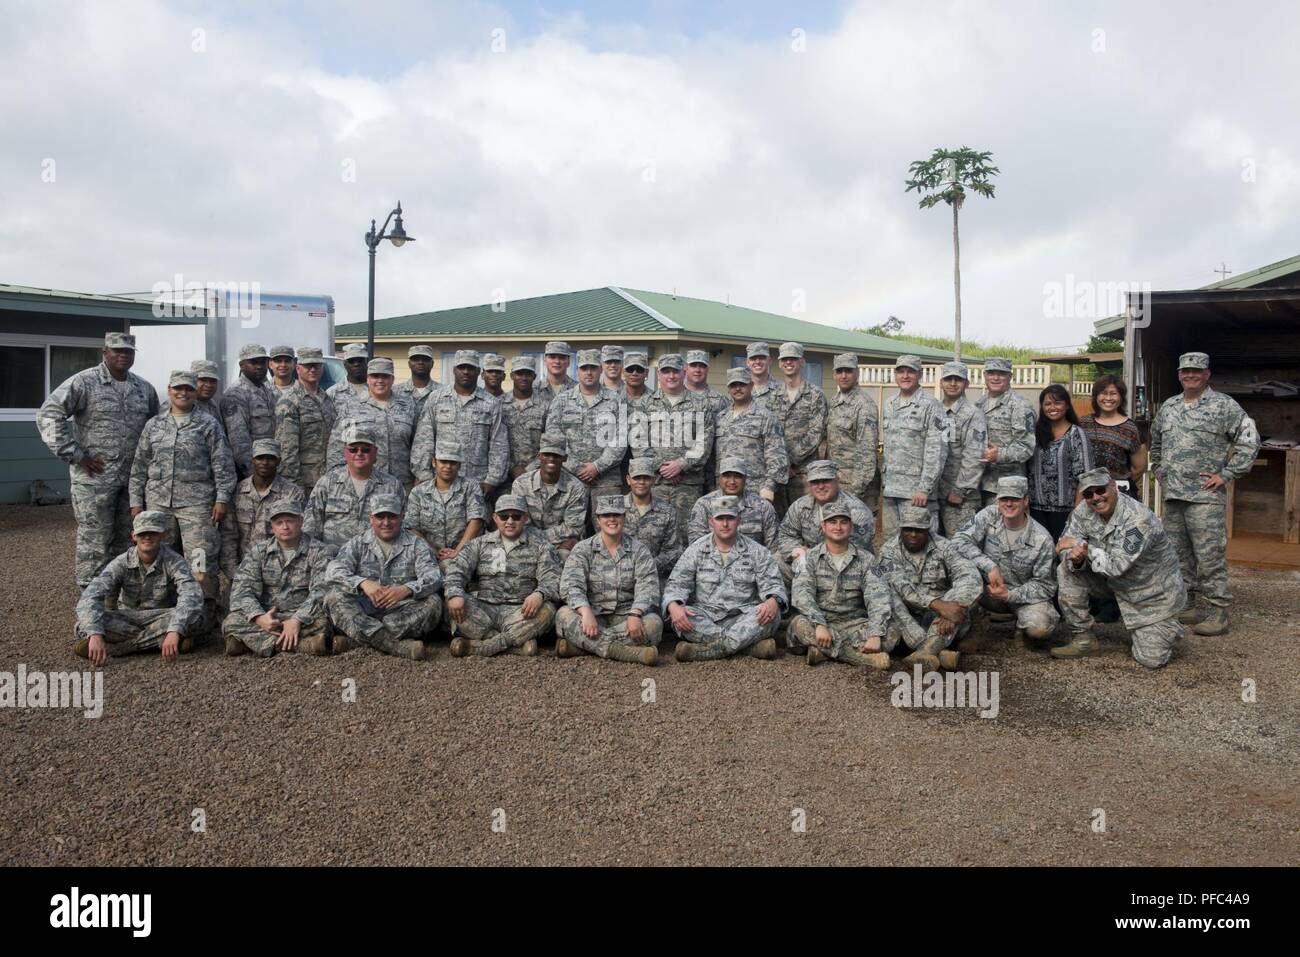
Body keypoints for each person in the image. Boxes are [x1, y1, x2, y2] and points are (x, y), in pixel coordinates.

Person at [1150, 353, 1260, 636]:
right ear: (1178, 374)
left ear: (1207, 374)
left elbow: (1249, 440)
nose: (1190, 375)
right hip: (1174, 496)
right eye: (1185, 371)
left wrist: (1226, 474)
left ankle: (1217, 613)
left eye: (1196, 371)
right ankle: (1187, 605)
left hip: (1205, 497)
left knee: (1209, 556)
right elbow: (1156, 441)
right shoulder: (1169, 406)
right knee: (1177, 556)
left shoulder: (1223, 406)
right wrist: (1160, 470)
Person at [38, 331, 160, 588]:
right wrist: (76, 455)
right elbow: (48, 415)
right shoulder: (84, 382)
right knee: (94, 543)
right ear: (104, 353)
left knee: (127, 540)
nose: (123, 356)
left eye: (128, 352)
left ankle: (118, 596)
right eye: (117, 351)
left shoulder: (144, 389)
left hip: (132, 483)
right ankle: (91, 603)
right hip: (94, 482)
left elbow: (154, 430)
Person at [1053, 468, 1186, 666]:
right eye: (1089, 494)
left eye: (1101, 490)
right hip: (1114, 584)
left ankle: (1164, 624)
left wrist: (1082, 548)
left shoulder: (1138, 518)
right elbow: (1064, 545)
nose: (1096, 498)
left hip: (1151, 593)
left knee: (1151, 659)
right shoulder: (1083, 510)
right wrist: (1076, 558)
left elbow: (1117, 565)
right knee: (1066, 568)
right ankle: (1083, 639)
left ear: (1113, 486)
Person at [129, 370, 236, 605]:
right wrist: (136, 503)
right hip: (158, 505)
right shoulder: (154, 425)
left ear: (195, 393)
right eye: (178, 388)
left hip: (197, 506)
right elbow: (139, 467)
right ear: (169, 391)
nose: (183, 393)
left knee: (200, 560)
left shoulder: (209, 425)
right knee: (159, 559)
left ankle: (202, 613)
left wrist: (222, 499)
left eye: (188, 389)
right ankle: (162, 611)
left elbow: (223, 465)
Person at [663, 496, 788, 662]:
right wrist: (673, 605)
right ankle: (749, 647)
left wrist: (773, 600)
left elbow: (774, 586)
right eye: (720, 518)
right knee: (679, 617)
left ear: (739, 521)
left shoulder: (757, 551)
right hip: (707, 615)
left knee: (772, 614)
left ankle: (709, 650)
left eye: (730, 518)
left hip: (744, 616)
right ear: (711, 521)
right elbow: (676, 585)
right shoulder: (696, 550)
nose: (725, 524)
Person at [74, 510, 204, 663]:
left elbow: (191, 595)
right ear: (134, 536)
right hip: (128, 617)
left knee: (197, 620)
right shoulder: (122, 562)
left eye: (153, 533)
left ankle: (124, 647)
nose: (147, 537)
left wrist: (175, 629)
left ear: (163, 535)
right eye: (142, 533)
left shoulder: (175, 561)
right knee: (81, 627)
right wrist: (95, 633)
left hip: (161, 616)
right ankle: (159, 642)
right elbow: (91, 595)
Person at [325, 495, 442, 660]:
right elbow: (333, 570)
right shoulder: (358, 543)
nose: (386, 522)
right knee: (333, 598)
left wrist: (406, 589)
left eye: (392, 516)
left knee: (434, 602)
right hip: (365, 609)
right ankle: (398, 647)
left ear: (401, 516)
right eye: (380, 517)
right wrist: (363, 583)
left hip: (400, 612)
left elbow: (434, 576)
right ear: (371, 519)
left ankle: (357, 642)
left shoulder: (417, 544)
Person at [444, 495, 562, 658]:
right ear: (495, 518)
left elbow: (552, 578)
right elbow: (456, 570)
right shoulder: (479, 544)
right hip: (483, 609)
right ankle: (514, 646)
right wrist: (455, 594)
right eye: (504, 516)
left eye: (516, 516)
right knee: (453, 604)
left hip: (520, 611)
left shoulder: (541, 546)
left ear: (525, 518)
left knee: (547, 610)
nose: (510, 521)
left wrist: (539, 594)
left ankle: (481, 647)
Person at [949, 476, 1059, 650]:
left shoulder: (1042, 539)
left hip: (1022, 597)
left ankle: (1022, 629)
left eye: (1014, 499)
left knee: (1040, 629)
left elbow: (1045, 585)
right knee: (961, 575)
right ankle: (975, 625)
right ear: (997, 500)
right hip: (986, 590)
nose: (1008, 504)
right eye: (1004, 499)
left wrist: (1010, 595)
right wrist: (989, 565)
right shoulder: (989, 515)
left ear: (1025, 501)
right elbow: (958, 541)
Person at [555, 496, 663, 666]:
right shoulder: (584, 549)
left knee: (653, 624)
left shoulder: (639, 550)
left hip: (626, 617)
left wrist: (635, 613)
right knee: (563, 616)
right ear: (598, 520)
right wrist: (585, 612)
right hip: (593, 616)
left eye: (616, 514)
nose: (611, 519)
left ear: (624, 517)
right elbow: (570, 585)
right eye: (606, 515)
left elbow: (648, 585)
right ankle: (624, 652)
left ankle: (582, 647)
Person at [787, 500, 893, 669]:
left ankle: (823, 652)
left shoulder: (867, 559)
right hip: (822, 622)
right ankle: (860, 657)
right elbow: (801, 595)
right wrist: (820, 624)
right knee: (799, 624)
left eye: (843, 522)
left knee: (892, 630)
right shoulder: (808, 558)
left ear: (851, 526)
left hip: (855, 624)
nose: (838, 527)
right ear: (823, 526)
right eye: (832, 522)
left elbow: (878, 596)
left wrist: (874, 633)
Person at [875, 505, 982, 672]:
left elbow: (969, 576)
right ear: (900, 528)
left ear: (928, 529)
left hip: (939, 620)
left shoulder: (945, 546)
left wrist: (952, 607)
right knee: (886, 592)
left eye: (919, 530)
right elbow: (902, 588)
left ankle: (924, 653)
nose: (913, 534)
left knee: (960, 594)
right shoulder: (888, 551)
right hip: (907, 620)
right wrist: (939, 605)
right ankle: (936, 651)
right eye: (908, 529)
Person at [222, 500, 332, 657]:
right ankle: (300, 645)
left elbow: (320, 591)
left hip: (303, 617)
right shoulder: (259, 552)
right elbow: (241, 591)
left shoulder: (319, 551)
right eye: (279, 522)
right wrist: (260, 618)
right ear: (272, 526)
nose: (285, 527)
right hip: (269, 617)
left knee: (325, 621)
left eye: (290, 521)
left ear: (301, 522)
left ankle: (251, 643)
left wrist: (296, 620)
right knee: (232, 621)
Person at [631, 352, 713, 538]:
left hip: (688, 485)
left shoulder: (701, 404)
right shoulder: (644, 404)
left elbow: (704, 442)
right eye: (666, 371)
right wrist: (662, 467)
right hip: (655, 484)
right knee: (652, 534)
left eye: (675, 371)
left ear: (684, 373)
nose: (671, 376)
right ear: (658, 375)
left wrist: (681, 465)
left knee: (689, 535)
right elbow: (638, 443)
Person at [410, 350, 509, 497]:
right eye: (461, 368)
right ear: (454, 370)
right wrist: (425, 476)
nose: (466, 372)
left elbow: (499, 444)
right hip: (440, 482)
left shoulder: (491, 404)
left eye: (471, 368)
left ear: (478, 372)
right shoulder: (436, 399)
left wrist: (492, 480)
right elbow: (424, 440)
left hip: (477, 483)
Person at [543, 349, 627, 516]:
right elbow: (553, 440)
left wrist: (597, 467)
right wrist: (576, 467)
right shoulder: (561, 401)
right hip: (569, 479)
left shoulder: (617, 400)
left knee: (608, 530)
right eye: (584, 368)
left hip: (606, 481)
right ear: (577, 370)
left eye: (593, 368)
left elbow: (621, 439)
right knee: (570, 531)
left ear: (600, 369)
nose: (588, 372)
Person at [303, 424, 405, 556]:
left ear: (375, 452)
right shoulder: (327, 483)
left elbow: (403, 526)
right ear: (345, 452)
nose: (359, 454)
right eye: (353, 449)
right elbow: (310, 527)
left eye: (366, 450)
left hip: (377, 561)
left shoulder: (392, 486)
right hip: (333, 559)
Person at [218, 438, 304, 585]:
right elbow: (228, 536)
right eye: (260, 458)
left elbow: (298, 537)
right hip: (242, 571)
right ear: (252, 460)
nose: (264, 462)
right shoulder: (237, 492)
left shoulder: (292, 494)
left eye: (270, 458)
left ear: (278, 461)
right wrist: (235, 575)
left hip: (280, 572)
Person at [775, 460, 874, 586]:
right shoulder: (800, 506)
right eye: (815, 482)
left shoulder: (857, 512)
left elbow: (855, 551)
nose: (820, 486)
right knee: (776, 561)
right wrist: (797, 550)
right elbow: (786, 534)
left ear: (837, 481)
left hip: (846, 568)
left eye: (826, 481)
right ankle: (786, 600)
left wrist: (812, 555)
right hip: (810, 562)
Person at [327, 357, 418, 487]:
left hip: (401, 482)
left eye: (385, 376)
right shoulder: (351, 406)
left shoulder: (408, 406)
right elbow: (337, 446)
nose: (380, 380)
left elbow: (419, 444)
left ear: (392, 379)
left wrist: (420, 475)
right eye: (375, 376)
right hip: (364, 483)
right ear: (368, 379)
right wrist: (337, 479)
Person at [881, 354, 945, 538]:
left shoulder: (932, 406)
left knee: (919, 543)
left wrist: (925, 487)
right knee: (890, 543)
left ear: (920, 375)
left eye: (911, 371)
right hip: (891, 490)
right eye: (901, 371)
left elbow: (938, 450)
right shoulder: (889, 404)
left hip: (916, 493)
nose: (905, 376)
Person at [402, 439, 486, 568]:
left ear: (459, 465)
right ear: (434, 462)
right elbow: (412, 527)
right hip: (427, 554)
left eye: (453, 462)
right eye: (443, 461)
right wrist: (433, 551)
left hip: (465, 553)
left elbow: (476, 520)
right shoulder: (418, 492)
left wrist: (458, 551)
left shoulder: (470, 487)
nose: (448, 466)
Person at [769, 342, 829, 517]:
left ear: (802, 362)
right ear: (780, 363)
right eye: (785, 359)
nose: (789, 363)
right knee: (778, 519)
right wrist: (781, 462)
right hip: (778, 472)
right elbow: (768, 434)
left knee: (806, 518)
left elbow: (815, 434)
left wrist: (790, 460)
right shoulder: (772, 396)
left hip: (803, 473)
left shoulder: (815, 395)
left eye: (793, 359)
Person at [1028, 383, 1093, 540]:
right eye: (1047, 404)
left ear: (1067, 405)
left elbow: (1086, 476)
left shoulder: (1076, 434)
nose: (1052, 407)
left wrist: (1077, 510)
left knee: (1063, 554)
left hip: (1065, 510)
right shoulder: (1035, 433)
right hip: (1036, 509)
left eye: (1057, 402)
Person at [713, 366, 787, 503]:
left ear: (751, 385)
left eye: (742, 384)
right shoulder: (720, 418)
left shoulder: (766, 417)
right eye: (733, 385)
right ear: (728, 388)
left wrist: (769, 488)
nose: (738, 388)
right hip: (723, 493)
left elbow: (777, 457)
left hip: (755, 493)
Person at [510, 434, 588, 559]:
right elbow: (519, 522)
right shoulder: (521, 484)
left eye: (556, 455)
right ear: (539, 456)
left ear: (565, 458)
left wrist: (545, 541)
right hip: (528, 540)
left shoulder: (575, 487)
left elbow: (573, 528)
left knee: (569, 551)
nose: (551, 459)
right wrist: (540, 541)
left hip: (562, 543)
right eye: (547, 454)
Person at [274, 345, 336, 494]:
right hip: (304, 482)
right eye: (308, 366)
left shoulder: (326, 399)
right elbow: (287, 451)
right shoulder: (289, 402)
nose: (313, 370)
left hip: (329, 480)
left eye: (316, 365)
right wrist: (293, 487)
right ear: (298, 368)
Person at [976, 356, 1036, 508]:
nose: (995, 378)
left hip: (1008, 489)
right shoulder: (979, 404)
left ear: (1010, 376)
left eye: (1001, 373)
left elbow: (1027, 447)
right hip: (978, 483)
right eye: (991, 373)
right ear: (985, 375)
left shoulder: (1020, 406)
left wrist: (1000, 454)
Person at [936, 361, 988, 536]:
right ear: (940, 382)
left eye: (958, 379)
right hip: (935, 494)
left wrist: (960, 491)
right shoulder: (935, 410)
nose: (952, 383)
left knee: (959, 548)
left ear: (967, 383)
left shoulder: (973, 414)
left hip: (960, 499)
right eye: (948, 379)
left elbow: (975, 456)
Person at [688, 457, 778, 550]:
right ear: (719, 478)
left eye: (737, 476)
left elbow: (774, 548)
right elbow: (696, 546)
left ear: (745, 478)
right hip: (714, 562)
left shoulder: (762, 506)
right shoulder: (703, 505)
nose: (732, 481)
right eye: (727, 476)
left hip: (753, 562)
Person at [1078, 375, 1146, 499]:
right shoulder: (1083, 424)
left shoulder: (1131, 428)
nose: (1108, 398)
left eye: (1113, 393)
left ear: (1121, 397)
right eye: (1103, 393)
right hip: (1086, 494)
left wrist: (1112, 486)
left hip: (1119, 495)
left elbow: (1139, 467)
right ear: (1096, 396)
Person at [827, 352, 879, 511]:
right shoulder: (835, 401)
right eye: (839, 371)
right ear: (834, 374)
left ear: (856, 373)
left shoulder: (864, 405)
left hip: (856, 489)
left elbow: (867, 454)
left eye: (848, 371)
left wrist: (855, 493)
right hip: (836, 482)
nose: (844, 375)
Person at [220, 343, 280, 480]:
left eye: (262, 362)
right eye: (253, 362)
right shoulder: (235, 395)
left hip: (272, 467)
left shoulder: (269, 390)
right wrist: (254, 477)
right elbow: (239, 442)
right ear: (242, 365)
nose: (259, 366)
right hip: (255, 473)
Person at [622, 457, 683, 585]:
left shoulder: (667, 511)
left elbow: (674, 551)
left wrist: (649, 565)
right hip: (620, 575)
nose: (641, 482)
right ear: (628, 480)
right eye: (637, 478)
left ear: (654, 480)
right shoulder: (616, 509)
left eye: (646, 478)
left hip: (654, 577)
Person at [684, 349, 729, 489]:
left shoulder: (721, 401)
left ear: (707, 369)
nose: (698, 370)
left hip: (713, 469)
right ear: (686, 368)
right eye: (694, 365)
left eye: (702, 366)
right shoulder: (677, 398)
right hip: (685, 472)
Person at [501, 355, 551, 481]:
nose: (523, 378)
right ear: (512, 376)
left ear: (534, 376)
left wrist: (528, 469)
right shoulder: (498, 404)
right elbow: (494, 443)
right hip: (503, 474)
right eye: (519, 374)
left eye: (528, 374)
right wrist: (512, 468)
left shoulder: (546, 405)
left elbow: (550, 442)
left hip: (537, 474)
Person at [393, 344, 442, 418]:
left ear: (432, 364)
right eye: (416, 359)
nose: (420, 362)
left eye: (425, 359)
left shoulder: (443, 393)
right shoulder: (394, 392)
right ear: (409, 364)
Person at [327, 342, 370, 412]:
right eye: (351, 361)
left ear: (367, 362)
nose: (356, 364)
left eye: (360, 360)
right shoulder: (332, 393)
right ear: (345, 364)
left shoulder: (378, 390)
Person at [190, 359, 228, 437]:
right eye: (203, 380)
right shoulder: (182, 407)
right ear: (192, 381)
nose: (209, 385)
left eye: (213, 381)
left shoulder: (213, 405)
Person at [745, 341, 776, 405]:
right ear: (747, 362)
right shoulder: (741, 389)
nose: (758, 362)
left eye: (762, 358)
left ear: (769, 360)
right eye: (753, 358)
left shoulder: (781, 390)